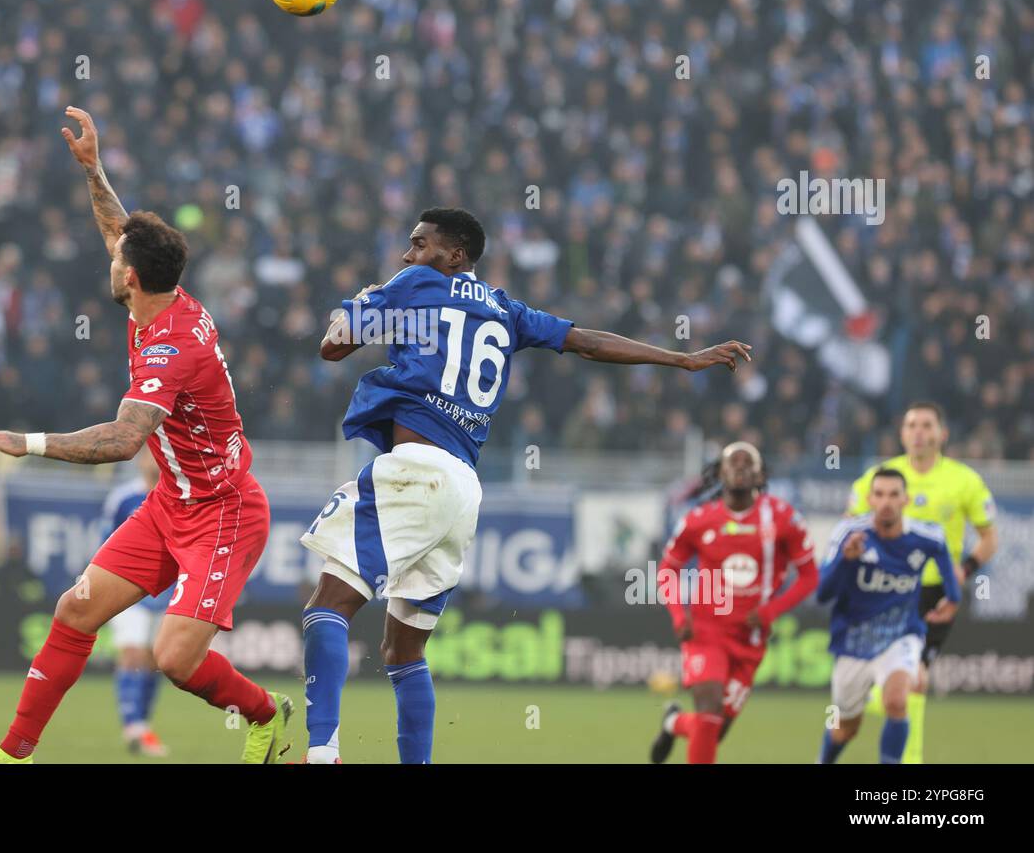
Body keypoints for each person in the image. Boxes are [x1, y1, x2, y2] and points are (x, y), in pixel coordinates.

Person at [299, 207, 752, 763]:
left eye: (418, 244)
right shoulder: (505, 308)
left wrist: (368, 298)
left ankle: (320, 753)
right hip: (463, 488)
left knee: (328, 604)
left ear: (454, 254)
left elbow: (334, 344)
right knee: (403, 650)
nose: (407, 255)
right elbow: (586, 340)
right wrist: (680, 359)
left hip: (414, 469)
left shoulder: (415, 283)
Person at [0, 107, 289, 764]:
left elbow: (119, 441)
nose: (109, 258)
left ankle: (265, 715)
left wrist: (19, 442)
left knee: (172, 658)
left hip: (223, 514)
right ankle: (12, 753)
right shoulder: (155, 296)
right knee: (76, 608)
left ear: (129, 279)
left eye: (116, 261)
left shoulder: (170, 347)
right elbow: (120, 228)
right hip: (172, 505)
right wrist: (93, 169)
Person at [846, 402, 998, 763]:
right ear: (902, 434)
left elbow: (989, 537)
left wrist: (964, 570)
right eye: (911, 424)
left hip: (936, 593)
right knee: (911, 682)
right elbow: (849, 525)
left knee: (914, 679)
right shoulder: (881, 477)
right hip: (887, 589)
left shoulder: (964, 479)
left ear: (941, 434)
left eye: (926, 425)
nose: (918, 431)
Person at [649, 442, 818, 764]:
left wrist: (772, 610)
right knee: (709, 710)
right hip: (706, 630)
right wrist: (677, 615)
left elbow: (810, 576)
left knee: (714, 729)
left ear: (760, 474)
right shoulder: (698, 520)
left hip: (750, 638)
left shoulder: (784, 519)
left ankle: (672, 722)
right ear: (719, 473)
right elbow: (667, 570)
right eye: (732, 462)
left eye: (748, 462)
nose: (740, 467)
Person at [818, 468, 960, 764]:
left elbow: (943, 550)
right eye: (880, 494)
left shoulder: (925, 535)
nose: (886, 502)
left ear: (906, 499)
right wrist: (846, 561)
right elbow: (822, 594)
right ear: (869, 499)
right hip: (853, 641)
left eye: (894, 494)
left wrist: (953, 598)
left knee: (896, 702)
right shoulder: (849, 533)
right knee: (845, 728)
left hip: (901, 634)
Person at [102, 448, 170, 756]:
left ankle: (142, 724)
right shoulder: (123, 498)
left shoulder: (180, 497)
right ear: (142, 460)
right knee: (131, 654)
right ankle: (131, 725)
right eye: (149, 457)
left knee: (156, 662)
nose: (153, 462)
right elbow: (106, 540)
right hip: (127, 587)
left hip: (166, 591)